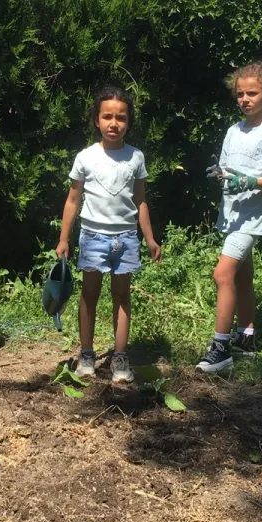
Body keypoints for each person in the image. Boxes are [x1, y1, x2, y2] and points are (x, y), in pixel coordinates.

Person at [55, 87, 162, 384]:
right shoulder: (86, 157)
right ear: (96, 120)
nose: (114, 123)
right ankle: (87, 354)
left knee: (122, 296)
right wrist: (64, 238)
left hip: (126, 239)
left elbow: (140, 202)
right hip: (92, 237)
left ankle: (119, 356)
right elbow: (73, 200)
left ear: (129, 122)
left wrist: (150, 238)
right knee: (89, 295)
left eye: (121, 118)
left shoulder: (136, 158)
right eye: (107, 117)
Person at [197, 62, 262, 374]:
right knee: (241, 276)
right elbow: (227, 169)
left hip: (254, 217)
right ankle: (246, 337)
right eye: (240, 94)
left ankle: (220, 348)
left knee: (222, 274)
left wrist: (251, 182)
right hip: (232, 214)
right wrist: (220, 175)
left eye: (252, 93)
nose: (245, 99)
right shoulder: (232, 132)